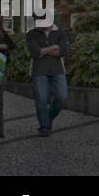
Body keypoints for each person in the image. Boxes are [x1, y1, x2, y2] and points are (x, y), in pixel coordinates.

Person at [26, 9, 69, 137]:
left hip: (57, 69)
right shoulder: (32, 34)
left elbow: (63, 51)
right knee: (42, 100)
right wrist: (54, 47)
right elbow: (35, 52)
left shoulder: (60, 32)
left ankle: (47, 119)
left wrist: (44, 51)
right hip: (39, 70)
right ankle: (45, 127)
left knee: (62, 97)